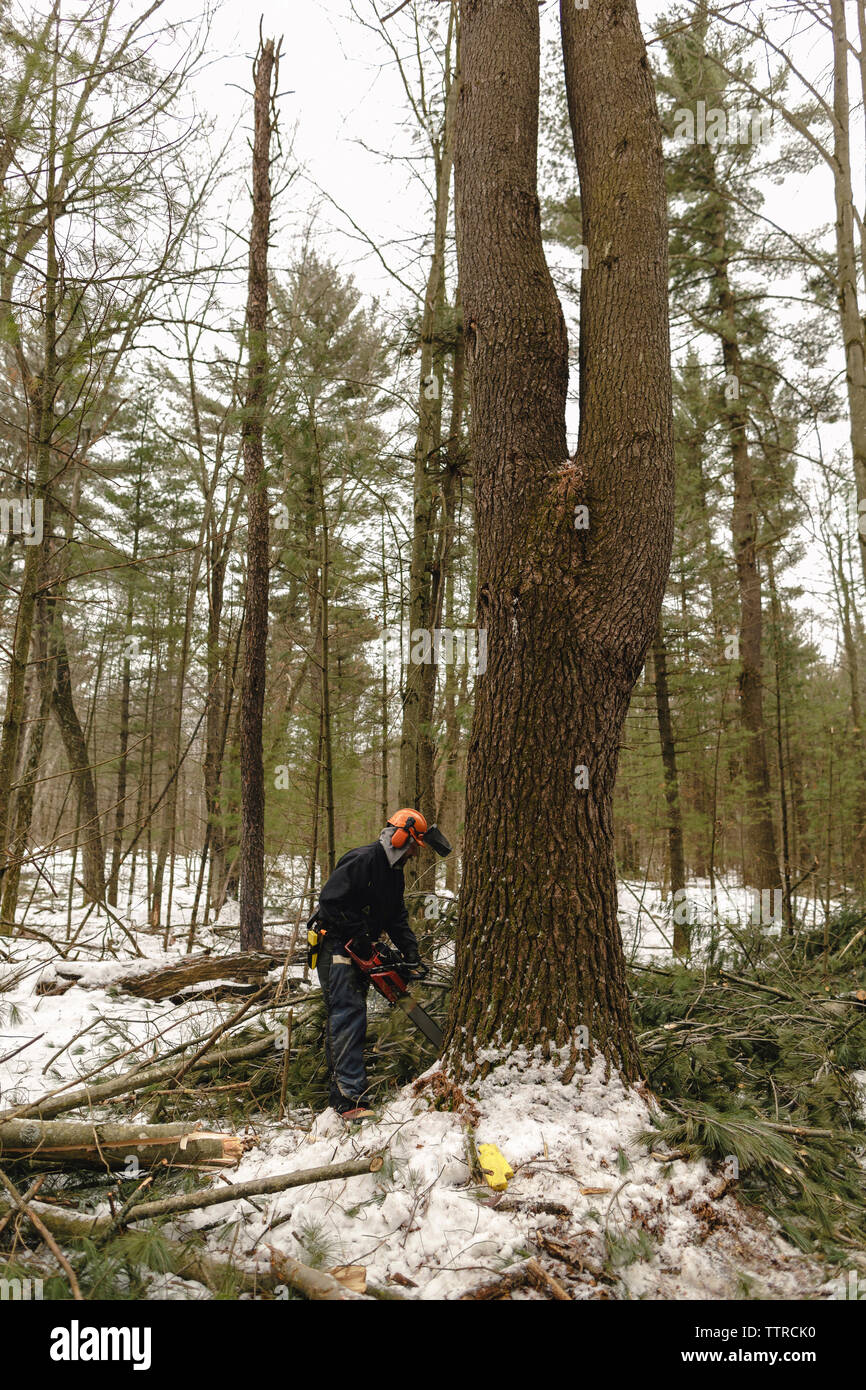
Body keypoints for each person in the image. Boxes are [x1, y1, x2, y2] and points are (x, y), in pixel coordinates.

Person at [313, 808, 451, 1121]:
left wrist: (410, 952)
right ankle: (348, 1101)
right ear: (401, 837)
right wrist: (357, 934)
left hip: (357, 948)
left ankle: (344, 1092)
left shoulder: (394, 874)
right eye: (414, 846)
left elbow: (396, 916)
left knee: (349, 1016)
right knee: (348, 1014)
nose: (414, 854)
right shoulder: (362, 860)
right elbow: (330, 902)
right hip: (336, 947)